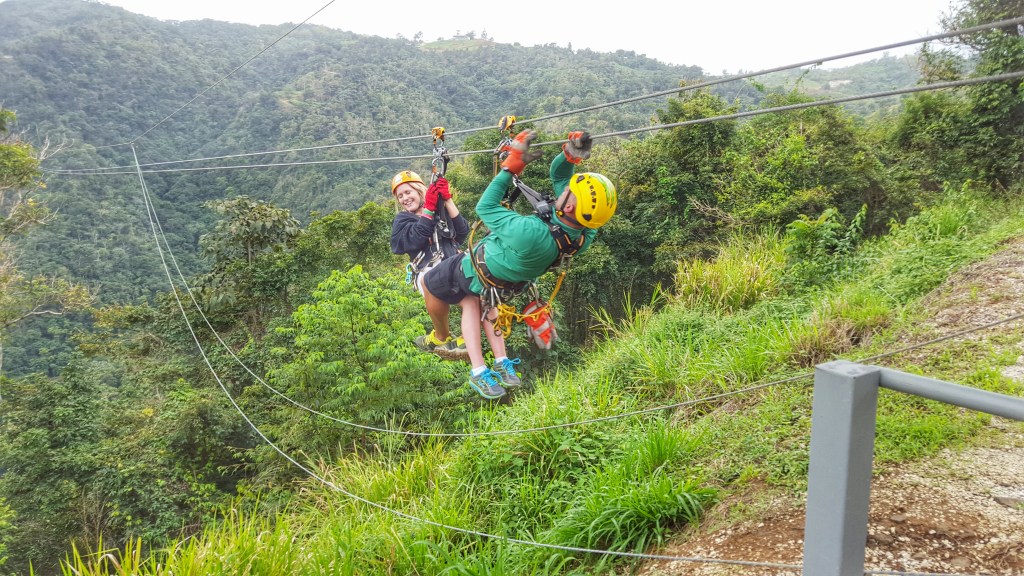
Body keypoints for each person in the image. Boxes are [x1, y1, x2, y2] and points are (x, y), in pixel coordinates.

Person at [420, 130, 617, 399]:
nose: (566, 188)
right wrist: (570, 157)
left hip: (475, 270)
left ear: (570, 207)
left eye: (570, 191)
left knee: (431, 284)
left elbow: (485, 207)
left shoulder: (531, 233)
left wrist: (509, 168)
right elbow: (560, 176)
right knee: (483, 304)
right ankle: (502, 364)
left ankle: (476, 368)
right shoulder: (583, 235)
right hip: (508, 284)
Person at [389, 170, 470, 360]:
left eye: (408, 192)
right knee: (430, 279)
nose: (405, 198)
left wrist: (447, 201)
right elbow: (416, 238)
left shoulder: (440, 212)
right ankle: (442, 335)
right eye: (400, 196)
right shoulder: (403, 220)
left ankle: (467, 339)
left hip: (451, 264)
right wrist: (429, 209)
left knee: (476, 294)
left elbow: (461, 233)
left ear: (419, 190)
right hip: (428, 269)